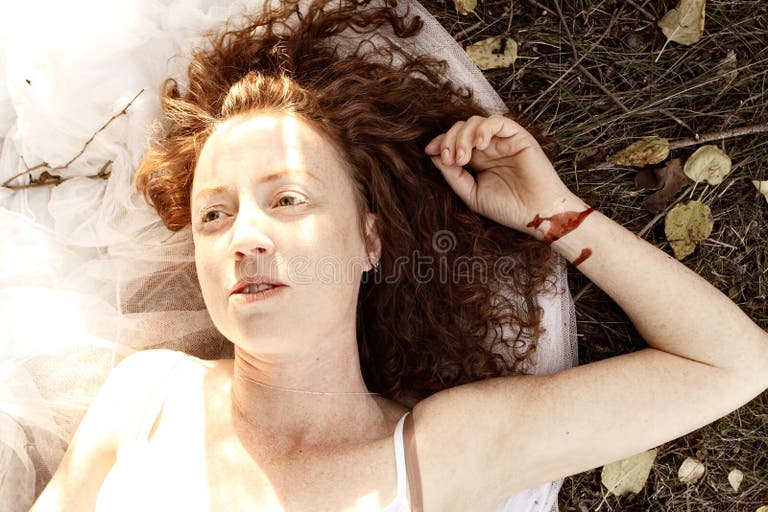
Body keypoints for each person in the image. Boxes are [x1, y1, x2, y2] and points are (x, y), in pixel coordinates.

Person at [16, 0, 768, 511]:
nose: (244, 236)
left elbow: (731, 362)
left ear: (370, 240)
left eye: (288, 200)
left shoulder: (438, 452)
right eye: (214, 214)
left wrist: (552, 214)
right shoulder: (145, 398)